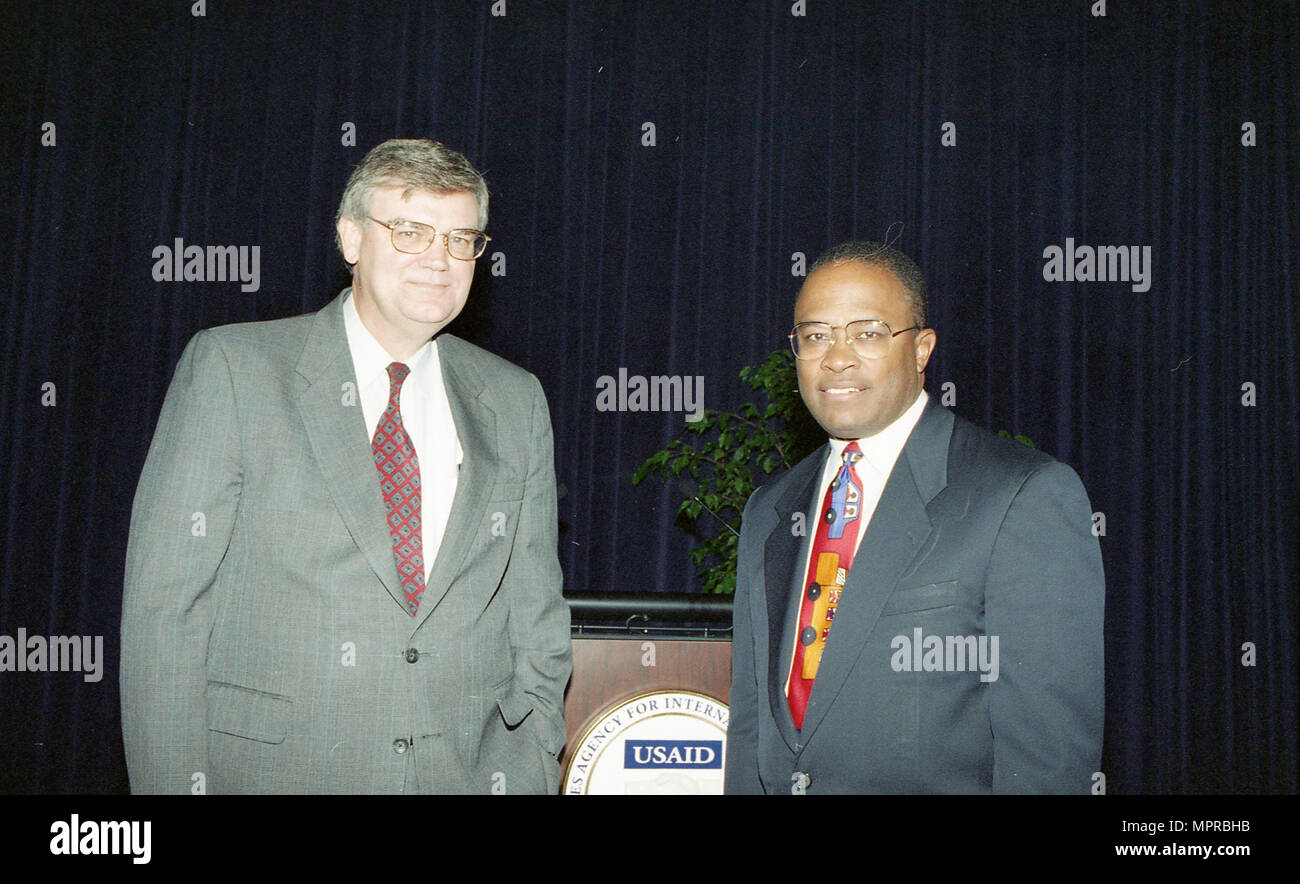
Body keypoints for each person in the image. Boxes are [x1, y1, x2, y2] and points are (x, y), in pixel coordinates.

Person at [121, 139, 571, 794]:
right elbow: (165, 617)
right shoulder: (234, 369)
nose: (438, 261)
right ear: (351, 238)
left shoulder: (514, 399)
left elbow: (537, 619)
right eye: (411, 231)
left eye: (460, 239)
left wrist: (529, 771)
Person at [725, 241, 1103, 794]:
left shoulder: (1022, 496)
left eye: (867, 333)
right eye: (815, 336)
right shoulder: (770, 509)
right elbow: (752, 726)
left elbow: (1049, 766)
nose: (837, 356)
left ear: (922, 350)